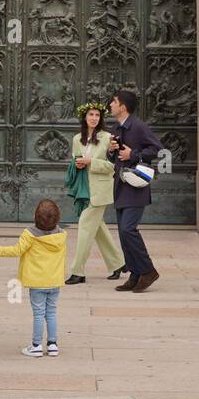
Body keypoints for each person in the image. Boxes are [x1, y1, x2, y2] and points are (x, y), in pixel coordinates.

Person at [0, 199, 67, 356]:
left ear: (35, 217)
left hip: (37, 282)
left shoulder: (30, 235)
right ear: (57, 218)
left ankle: (36, 345)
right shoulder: (61, 235)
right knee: (51, 312)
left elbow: (17, 250)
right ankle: (52, 344)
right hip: (55, 281)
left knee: (39, 313)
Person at [64, 102, 125, 284]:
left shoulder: (107, 138)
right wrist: (78, 163)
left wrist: (90, 162)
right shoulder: (77, 139)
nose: (94, 118)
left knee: (84, 225)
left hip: (101, 190)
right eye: (90, 114)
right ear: (85, 117)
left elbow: (112, 166)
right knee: (98, 229)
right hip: (84, 188)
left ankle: (78, 271)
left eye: (97, 115)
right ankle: (118, 263)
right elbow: (75, 160)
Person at [107, 89, 161, 293]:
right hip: (121, 185)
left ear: (123, 106)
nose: (110, 105)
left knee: (129, 229)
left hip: (136, 187)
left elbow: (158, 149)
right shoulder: (116, 127)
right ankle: (135, 274)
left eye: (113, 101)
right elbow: (115, 158)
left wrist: (134, 154)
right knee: (123, 232)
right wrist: (112, 151)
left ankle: (148, 270)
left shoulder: (138, 126)